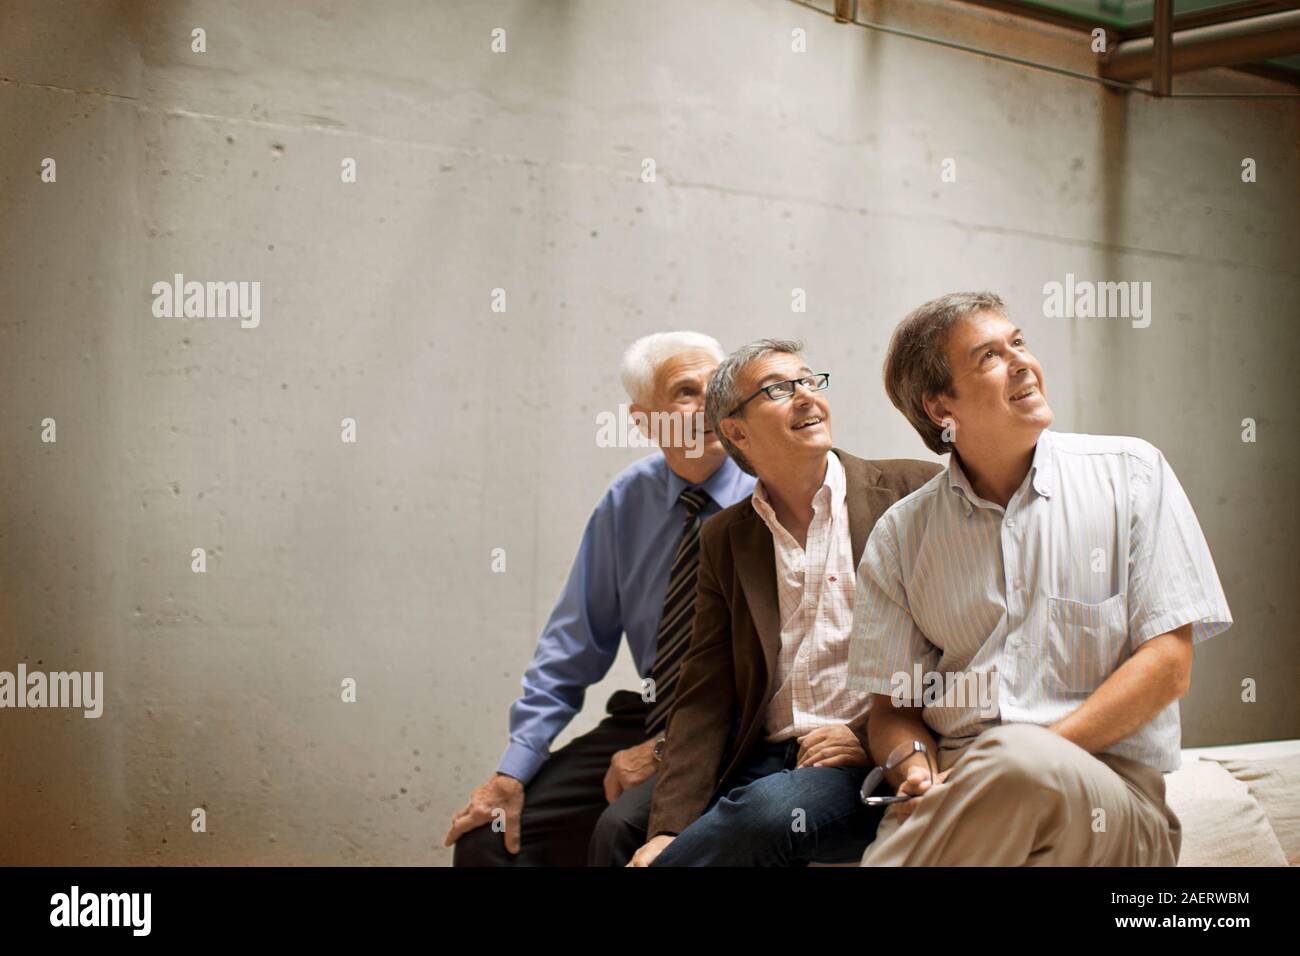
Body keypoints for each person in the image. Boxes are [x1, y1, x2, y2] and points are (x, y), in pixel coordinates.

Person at [850, 291, 1232, 866]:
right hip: (956, 800)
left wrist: (1019, 762)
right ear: (939, 408)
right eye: (989, 357)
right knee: (998, 773)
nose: (1023, 361)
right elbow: (894, 710)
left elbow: (1168, 667)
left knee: (1018, 760)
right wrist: (916, 770)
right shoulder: (900, 536)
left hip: (1112, 798)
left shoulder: (1133, 475)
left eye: (1018, 342)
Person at [617, 339, 941, 866]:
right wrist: (667, 831)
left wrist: (869, 737)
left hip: (865, 760)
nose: (807, 397)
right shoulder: (726, 535)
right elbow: (705, 691)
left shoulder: (913, 490)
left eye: (811, 382)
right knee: (623, 826)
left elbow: (958, 643)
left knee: (763, 815)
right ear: (737, 431)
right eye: (778, 390)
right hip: (764, 753)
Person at [445, 331, 754, 866]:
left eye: (718, 387)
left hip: (741, 725)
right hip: (652, 711)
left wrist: (669, 750)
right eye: (686, 391)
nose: (709, 403)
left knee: (618, 829)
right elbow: (573, 645)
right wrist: (512, 770)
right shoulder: (628, 499)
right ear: (643, 420)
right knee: (489, 842)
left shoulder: (769, 495)